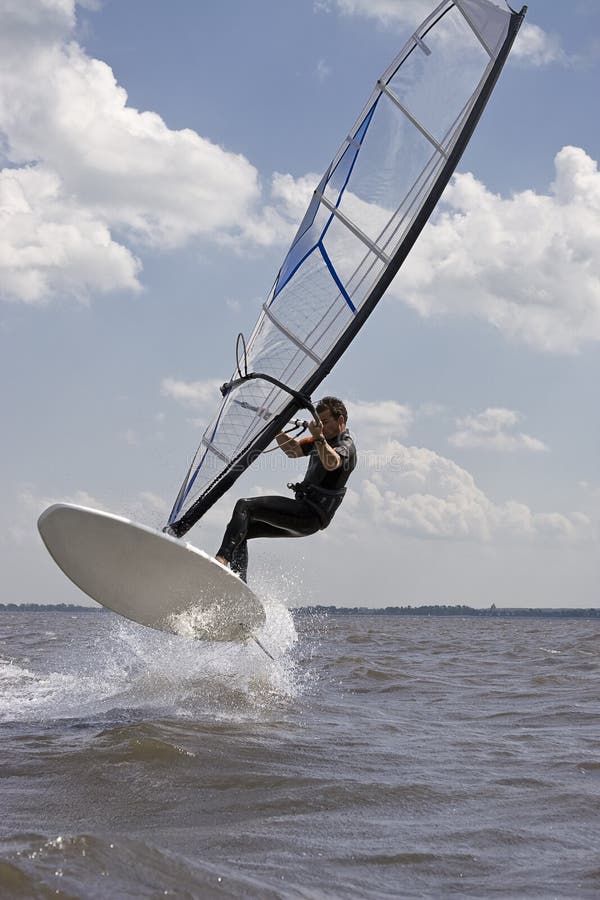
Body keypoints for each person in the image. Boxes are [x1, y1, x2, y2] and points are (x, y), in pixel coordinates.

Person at [215, 396, 357, 583]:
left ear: (341, 420)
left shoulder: (346, 445)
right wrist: (275, 426)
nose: (321, 427)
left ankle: (220, 561)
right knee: (241, 530)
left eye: (325, 422)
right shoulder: (322, 439)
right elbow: (293, 450)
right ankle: (238, 582)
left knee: (245, 506)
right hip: (303, 513)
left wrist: (318, 437)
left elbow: (332, 462)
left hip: (310, 515)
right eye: (319, 422)